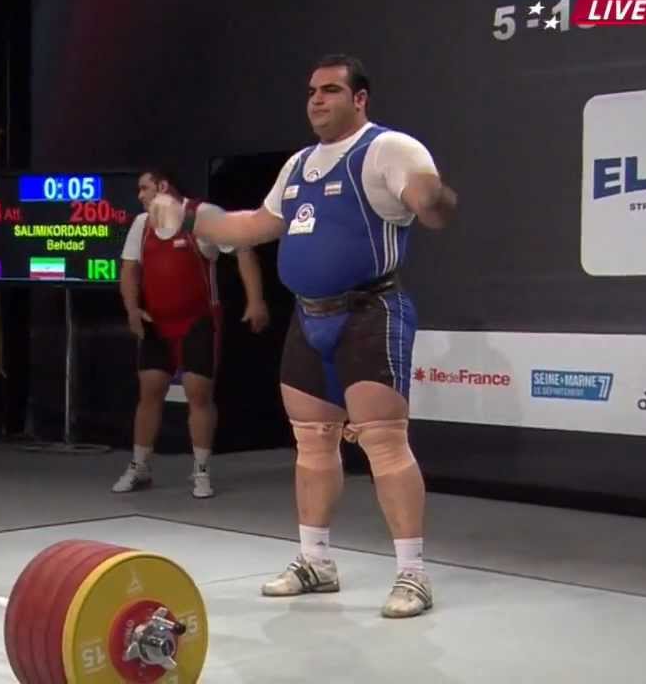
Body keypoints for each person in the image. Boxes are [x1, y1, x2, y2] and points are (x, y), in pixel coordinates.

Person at [172, 54, 458, 617]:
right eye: (311, 92)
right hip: (309, 318)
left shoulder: (388, 150)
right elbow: (251, 227)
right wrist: (186, 213)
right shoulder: (300, 164)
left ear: (360, 99)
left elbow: (430, 204)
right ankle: (316, 562)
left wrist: (430, 198)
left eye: (330, 90)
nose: (317, 100)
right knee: (311, 442)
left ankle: (412, 575)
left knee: (383, 442)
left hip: (369, 312)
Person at [112, 169, 270, 499]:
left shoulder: (203, 215)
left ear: (164, 185)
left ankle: (200, 470)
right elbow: (129, 270)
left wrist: (255, 301)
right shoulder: (142, 225)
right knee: (150, 390)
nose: (139, 195)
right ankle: (140, 466)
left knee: (198, 393)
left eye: (144, 188)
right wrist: (131, 308)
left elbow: (243, 248)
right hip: (157, 321)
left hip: (198, 321)